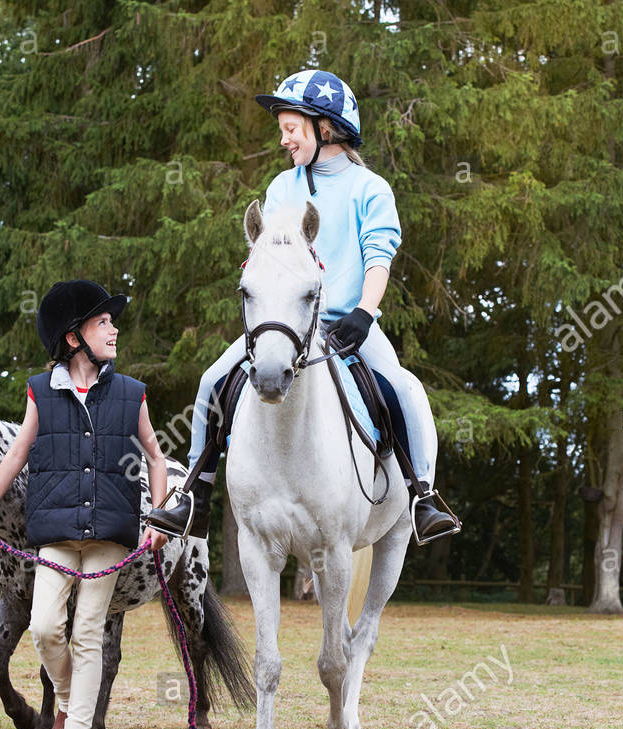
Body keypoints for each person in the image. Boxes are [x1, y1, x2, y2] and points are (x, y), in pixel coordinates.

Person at [147, 68, 460, 544]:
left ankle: (422, 496)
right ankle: (194, 495)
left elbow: (378, 259)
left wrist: (365, 312)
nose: (284, 140)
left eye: (291, 129)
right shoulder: (280, 188)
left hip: (349, 323)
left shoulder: (370, 189)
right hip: (288, 322)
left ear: (324, 127)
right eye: (283, 131)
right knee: (213, 378)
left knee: (398, 387)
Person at [0, 280, 168, 729]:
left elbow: (156, 459)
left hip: (110, 536)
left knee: (89, 631)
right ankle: (71, 701)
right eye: (103, 322)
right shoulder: (39, 392)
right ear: (74, 338)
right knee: (45, 628)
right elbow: (16, 455)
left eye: (113, 321)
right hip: (55, 533)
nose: (114, 329)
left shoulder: (132, 393)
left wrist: (157, 514)